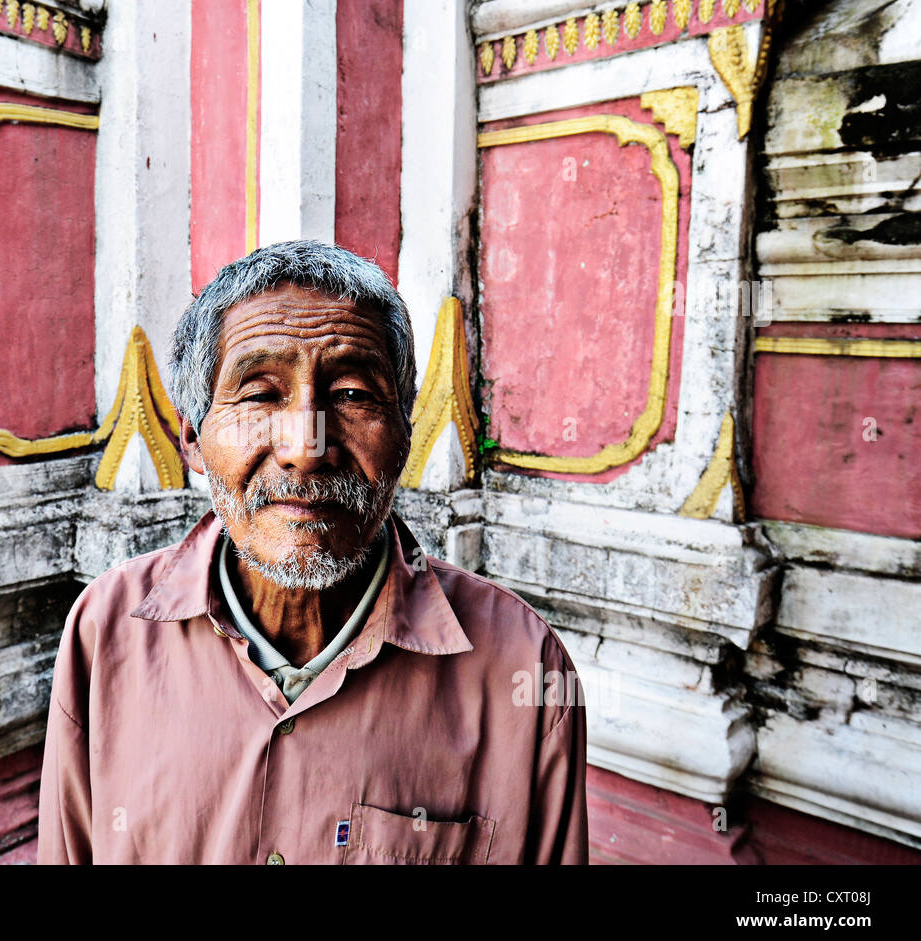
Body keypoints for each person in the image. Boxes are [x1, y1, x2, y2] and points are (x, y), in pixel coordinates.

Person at [37, 239, 588, 864]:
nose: (306, 444)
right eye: (260, 394)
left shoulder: (521, 663)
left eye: (352, 395)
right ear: (192, 441)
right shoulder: (104, 631)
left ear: (404, 437)